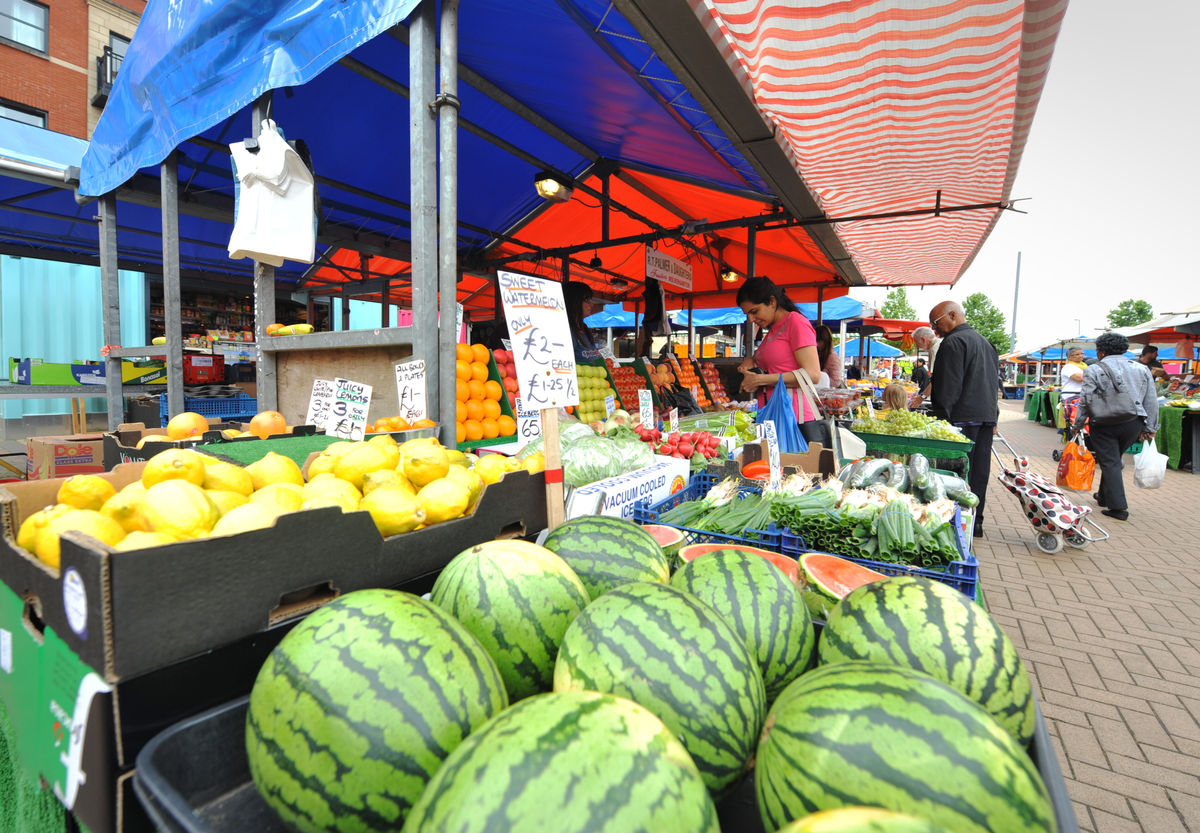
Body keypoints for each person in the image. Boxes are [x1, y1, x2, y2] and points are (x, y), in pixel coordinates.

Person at [927, 301, 999, 539]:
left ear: (953, 315)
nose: (935, 330)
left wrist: (940, 419)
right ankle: (975, 522)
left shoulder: (953, 342)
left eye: (936, 324)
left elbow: (947, 388)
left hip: (960, 419)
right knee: (979, 472)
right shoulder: (985, 343)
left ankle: (955, 522)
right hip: (984, 417)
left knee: (955, 474)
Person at [735, 276, 831, 448]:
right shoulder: (773, 329)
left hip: (794, 417)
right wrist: (753, 361)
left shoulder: (796, 323)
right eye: (747, 314)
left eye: (754, 311)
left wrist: (760, 380)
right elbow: (774, 360)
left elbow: (813, 375)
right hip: (774, 415)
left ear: (772, 302)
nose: (750, 319)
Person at [1072, 332, 1158, 521]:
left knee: (1110, 460)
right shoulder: (1141, 369)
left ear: (1101, 351)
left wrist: (1077, 424)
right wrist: (1150, 427)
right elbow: (1151, 400)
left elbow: (1085, 400)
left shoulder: (1093, 370)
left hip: (1103, 422)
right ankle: (1104, 496)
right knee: (1112, 457)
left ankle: (1118, 507)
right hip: (1132, 422)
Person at [563, 280, 602, 362]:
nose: (591, 304)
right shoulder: (566, 331)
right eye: (587, 299)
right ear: (574, 301)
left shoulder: (584, 329)